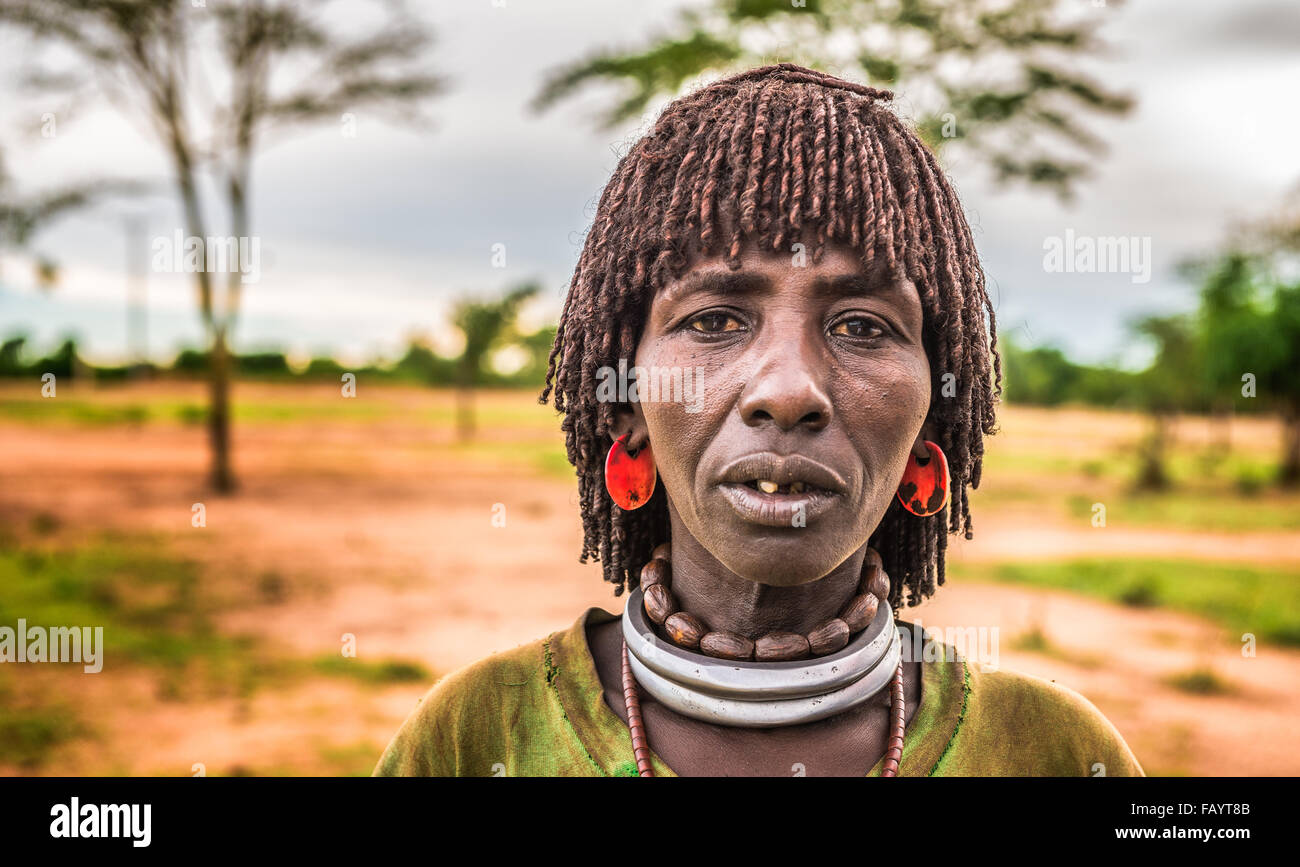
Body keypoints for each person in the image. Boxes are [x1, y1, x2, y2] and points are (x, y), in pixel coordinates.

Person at [373, 63, 1144, 777]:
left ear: (929, 424)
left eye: (863, 326)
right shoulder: (476, 737)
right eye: (714, 320)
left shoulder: (1051, 750)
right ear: (625, 411)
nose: (789, 389)